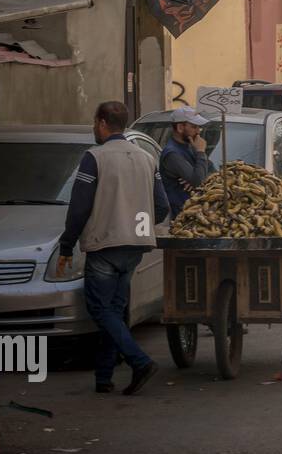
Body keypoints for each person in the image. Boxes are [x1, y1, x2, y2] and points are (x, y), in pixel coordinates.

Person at [58, 101, 170, 394]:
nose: (94, 127)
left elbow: (79, 208)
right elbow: (161, 207)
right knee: (114, 311)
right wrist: (136, 221)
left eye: (95, 122)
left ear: (102, 122)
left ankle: (140, 361)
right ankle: (104, 378)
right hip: (135, 247)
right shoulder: (147, 158)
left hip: (105, 244)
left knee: (99, 308)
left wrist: (67, 245)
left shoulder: (94, 157)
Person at [159, 106, 213, 213]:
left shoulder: (190, 146)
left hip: (195, 210)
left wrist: (195, 176)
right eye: (194, 127)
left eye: (198, 127)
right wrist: (201, 152)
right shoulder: (172, 153)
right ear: (180, 128)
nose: (198, 131)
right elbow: (199, 181)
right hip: (180, 213)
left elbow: (211, 172)